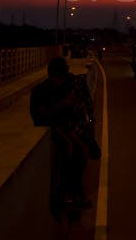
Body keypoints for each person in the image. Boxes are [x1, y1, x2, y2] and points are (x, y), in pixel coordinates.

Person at [30, 57, 96, 213]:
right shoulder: (41, 90)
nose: (60, 80)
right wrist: (64, 104)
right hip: (57, 127)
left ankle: (75, 191)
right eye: (56, 76)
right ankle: (68, 193)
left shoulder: (73, 83)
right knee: (71, 150)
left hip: (71, 126)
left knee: (87, 150)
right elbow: (41, 116)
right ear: (51, 75)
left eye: (62, 76)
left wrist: (88, 118)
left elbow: (85, 103)